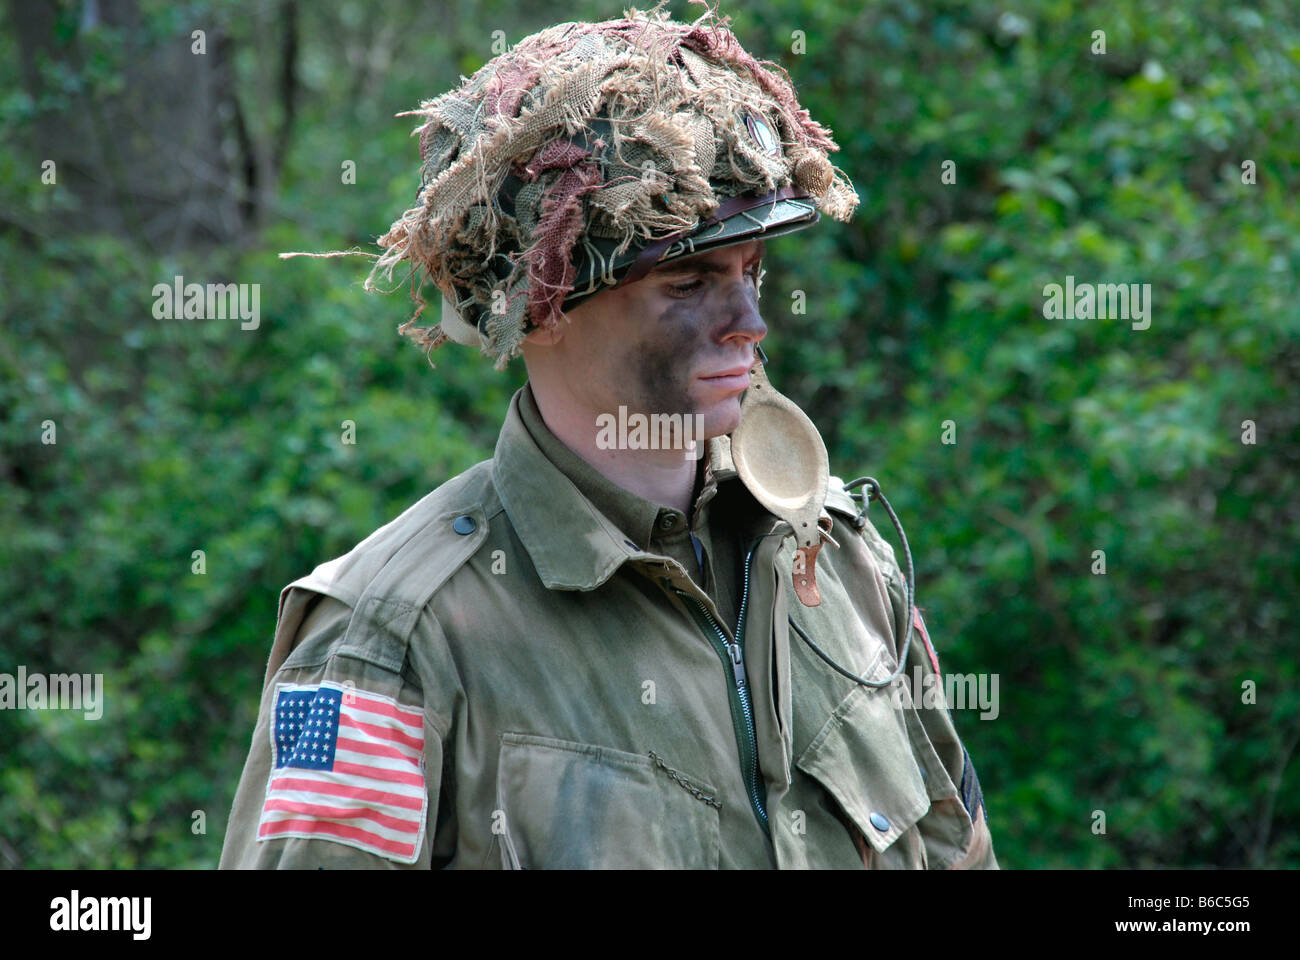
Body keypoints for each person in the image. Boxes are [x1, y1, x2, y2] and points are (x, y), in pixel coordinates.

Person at [220, 5, 997, 869]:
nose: (749, 322)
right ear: (537, 310)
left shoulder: (839, 563)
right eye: (688, 282)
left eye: (752, 273)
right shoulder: (391, 638)